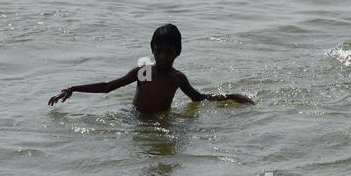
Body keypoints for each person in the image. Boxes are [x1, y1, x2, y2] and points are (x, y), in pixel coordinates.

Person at [47, 24, 253, 114]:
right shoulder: (143, 72)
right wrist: (72, 88)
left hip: (159, 118)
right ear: (152, 50)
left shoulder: (178, 78)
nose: (163, 57)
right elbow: (108, 86)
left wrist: (231, 96)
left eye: (168, 52)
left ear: (178, 52)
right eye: (159, 51)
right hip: (134, 116)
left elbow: (198, 98)